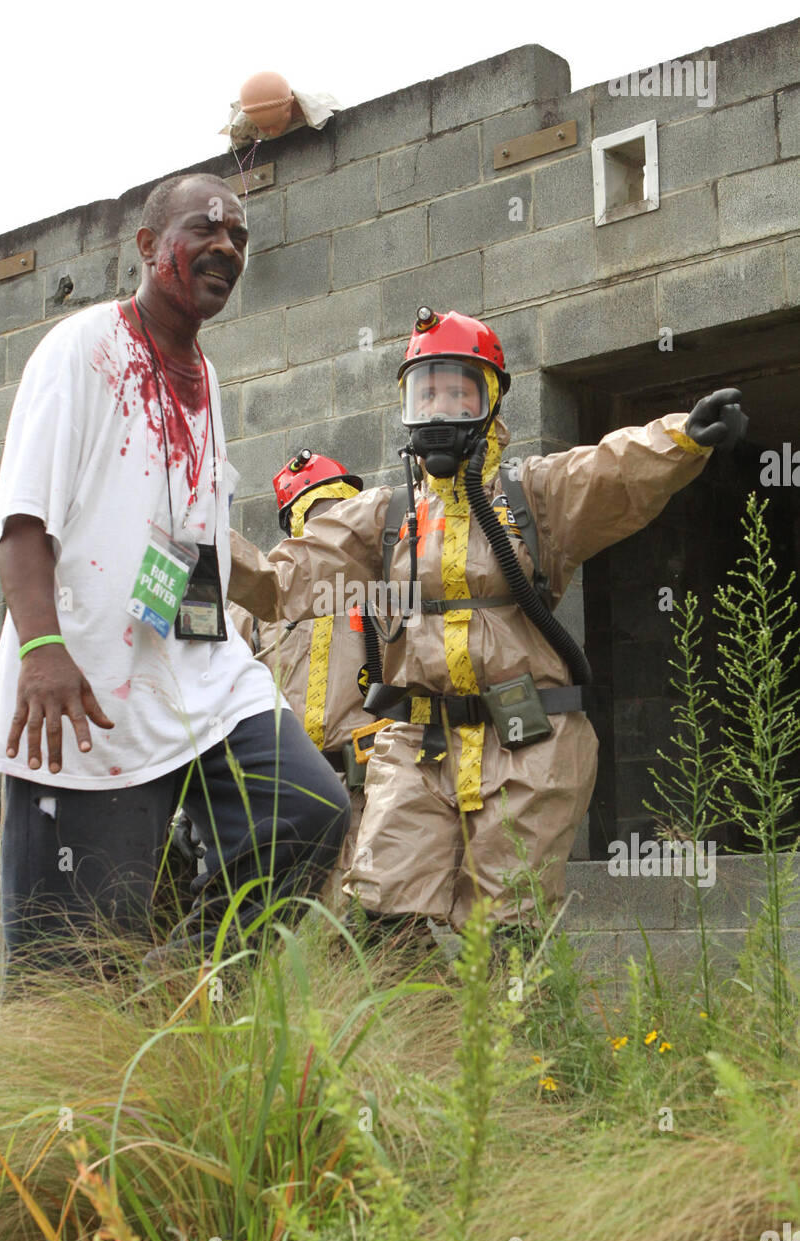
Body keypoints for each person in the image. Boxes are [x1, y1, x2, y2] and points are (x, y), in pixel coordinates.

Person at [227, 306, 749, 943]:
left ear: (490, 399)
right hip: (417, 748)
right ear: (407, 405)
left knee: (505, 935)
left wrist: (683, 437)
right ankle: (420, 1041)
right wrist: (195, 543)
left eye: (459, 389)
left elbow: (610, 471)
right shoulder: (384, 516)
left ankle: (501, 1040)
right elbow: (284, 576)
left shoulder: (536, 497)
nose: (442, 405)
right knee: (380, 921)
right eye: (428, 390)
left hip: (528, 742)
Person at [0, 172, 350, 977]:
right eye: (204, 229)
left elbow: (186, 537)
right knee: (72, 973)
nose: (226, 247)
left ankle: (185, 975)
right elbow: (19, 520)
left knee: (310, 805)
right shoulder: (84, 350)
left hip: (194, 680)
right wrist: (42, 647)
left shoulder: (206, 380)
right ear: (147, 246)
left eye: (240, 237)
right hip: (84, 701)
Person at [230, 451, 384, 909]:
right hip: (287, 795)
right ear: (294, 525)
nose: (331, 522)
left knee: (373, 914)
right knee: (288, 916)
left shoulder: (387, 594)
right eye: (316, 513)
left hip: (371, 792)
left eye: (339, 509)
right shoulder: (255, 611)